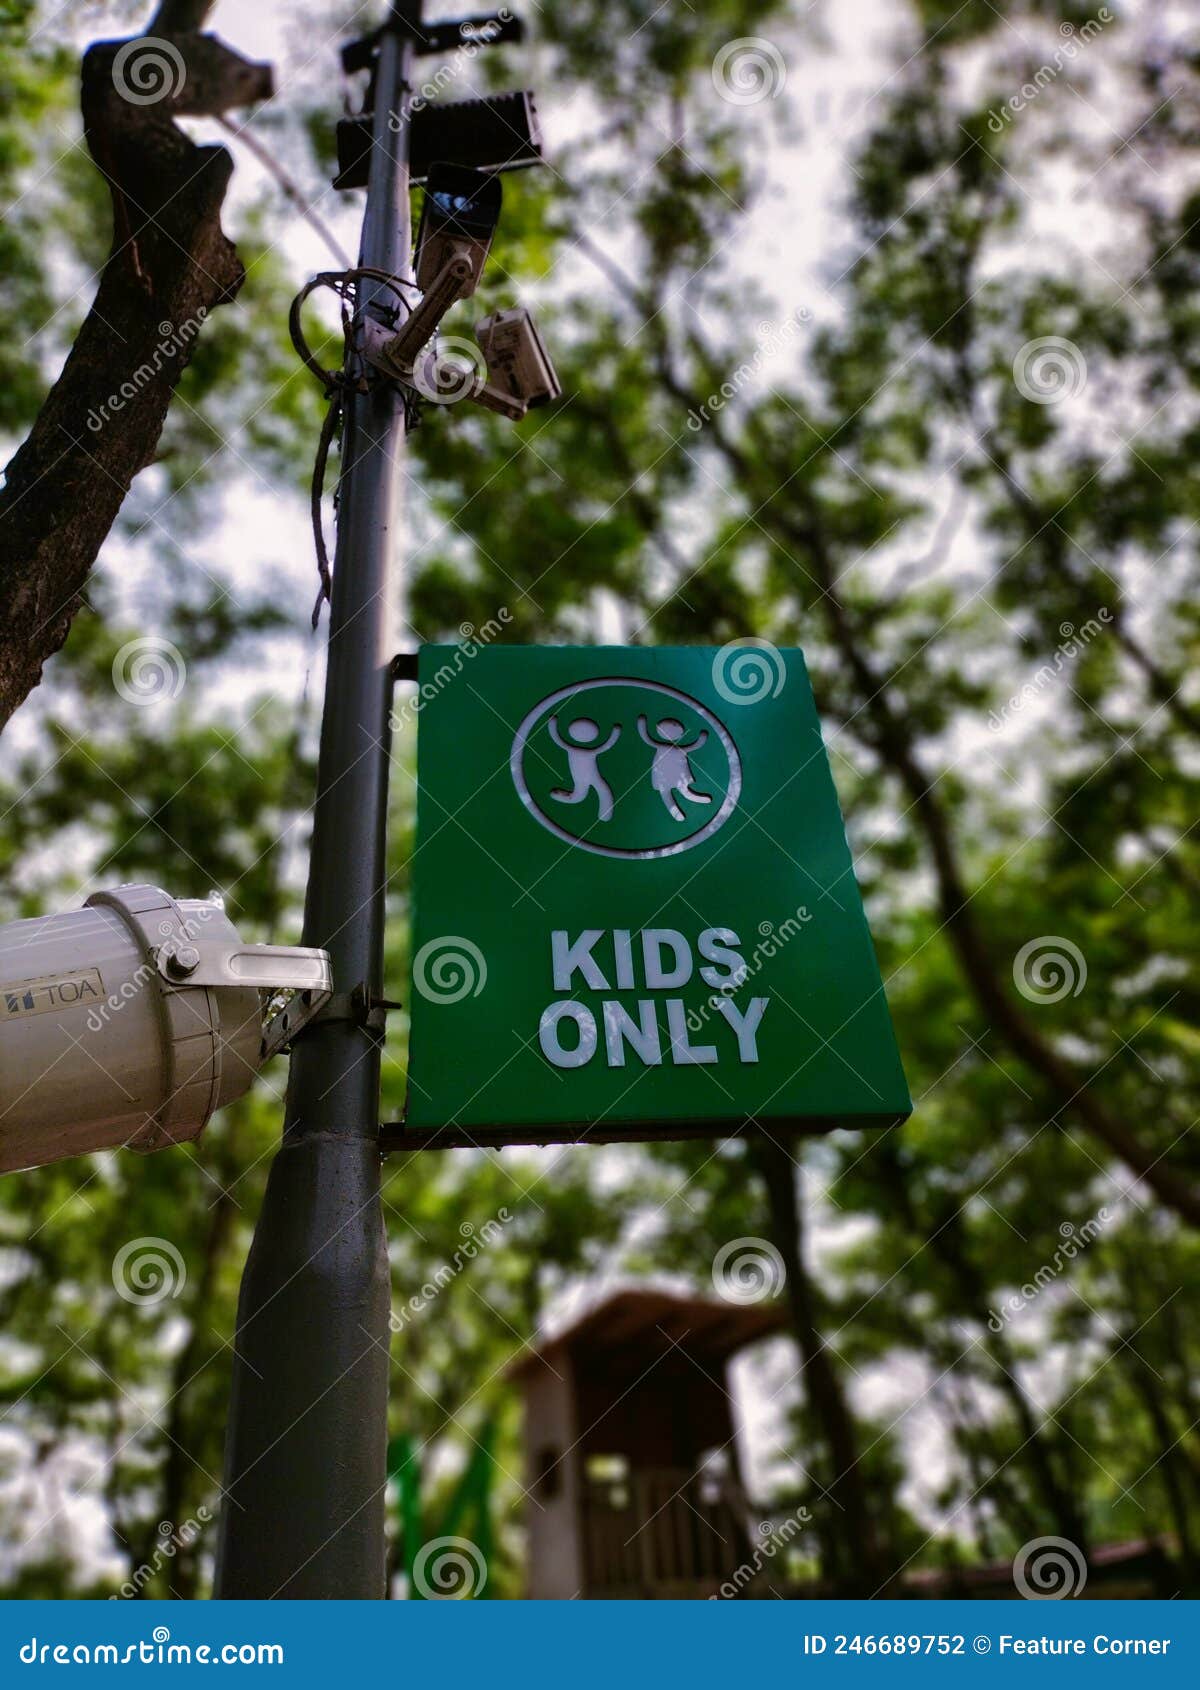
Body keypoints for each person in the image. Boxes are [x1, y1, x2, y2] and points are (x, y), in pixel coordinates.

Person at [637, 715, 711, 822]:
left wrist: (641, 725)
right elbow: (695, 746)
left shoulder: (671, 749)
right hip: (664, 772)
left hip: (675, 772)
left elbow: (646, 738)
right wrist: (701, 739)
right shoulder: (669, 748)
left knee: (678, 790)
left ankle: (691, 800)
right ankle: (676, 812)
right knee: (667, 792)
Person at [548, 716, 621, 822]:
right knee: (594, 793)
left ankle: (605, 815)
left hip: (590, 776)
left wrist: (552, 724)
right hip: (584, 777)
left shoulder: (573, 750)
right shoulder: (579, 751)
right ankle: (605, 815)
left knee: (601, 792)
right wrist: (615, 733)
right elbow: (607, 746)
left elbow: (557, 739)